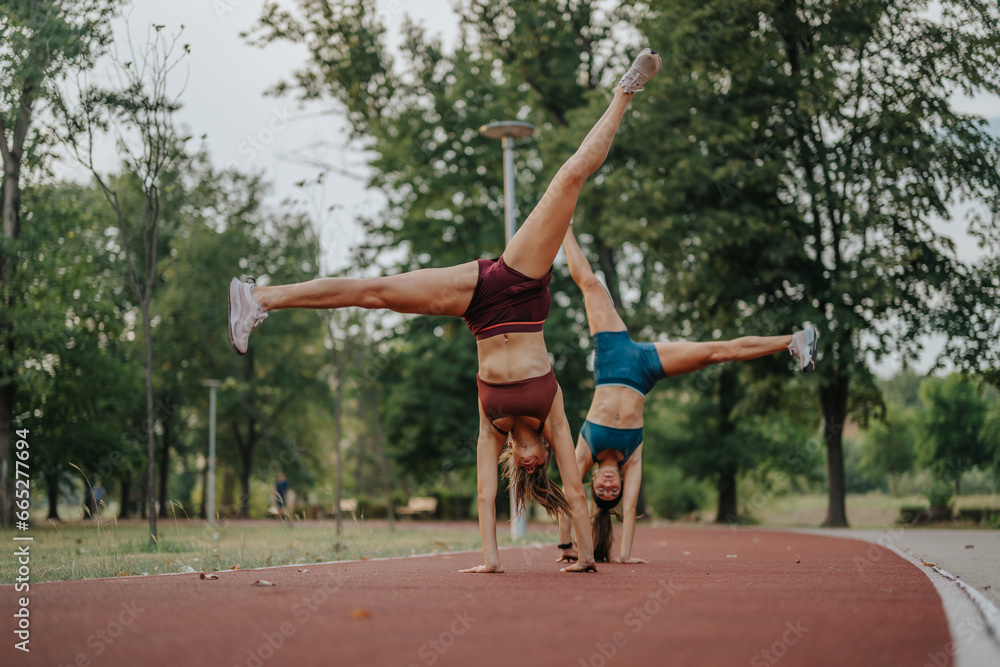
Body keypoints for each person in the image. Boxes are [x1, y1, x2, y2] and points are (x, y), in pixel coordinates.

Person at [227, 49, 664, 573]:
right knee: (570, 177)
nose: (532, 461)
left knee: (376, 293)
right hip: (520, 286)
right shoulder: (554, 415)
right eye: (538, 464)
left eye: (524, 469)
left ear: (515, 464)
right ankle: (625, 92)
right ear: (545, 455)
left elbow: (484, 499)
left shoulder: (493, 426)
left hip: (478, 308)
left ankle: (260, 298)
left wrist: (491, 562)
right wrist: (587, 559)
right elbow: (576, 488)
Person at [556, 225, 819, 564]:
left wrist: (566, 547)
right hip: (645, 369)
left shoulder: (585, 451)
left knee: (590, 283)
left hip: (612, 353)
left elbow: (568, 494)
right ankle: (794, 340)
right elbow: (633, 507)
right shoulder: (631, 456)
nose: (609, 486)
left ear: (593, 482)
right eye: (613, 491)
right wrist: (623, 557)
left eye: (602, 490)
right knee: (719, 352)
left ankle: (565, 227)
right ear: (620, 483)